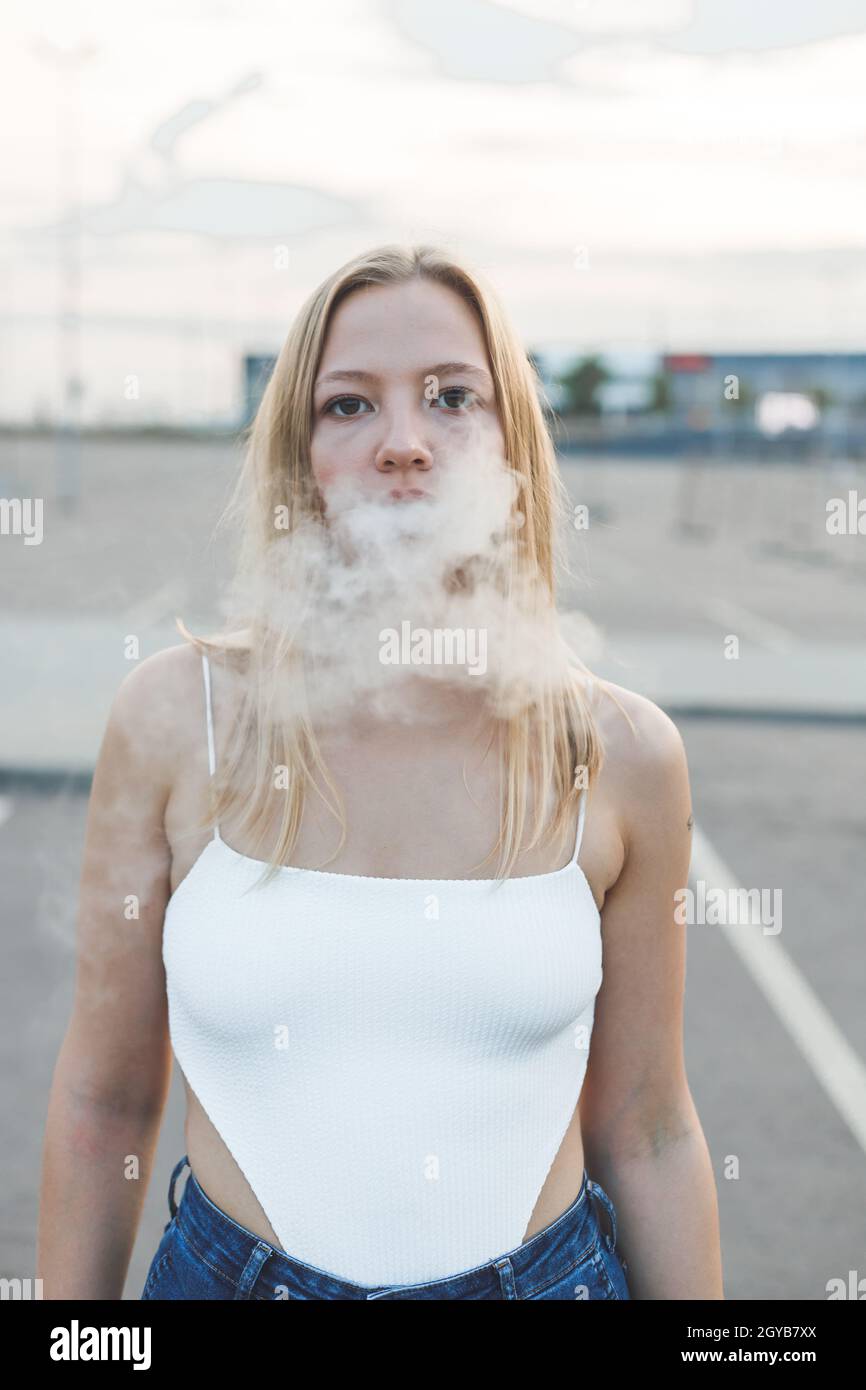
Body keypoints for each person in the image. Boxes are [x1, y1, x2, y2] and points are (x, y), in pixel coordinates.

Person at [37, 244, 724, 1300]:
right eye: (349, 407)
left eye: (451, 398)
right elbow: (103, 1101)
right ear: (297, 454)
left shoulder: (619, 753)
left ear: (509, 445)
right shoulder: (180, 720)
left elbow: (649, 1126)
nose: (403, 444)